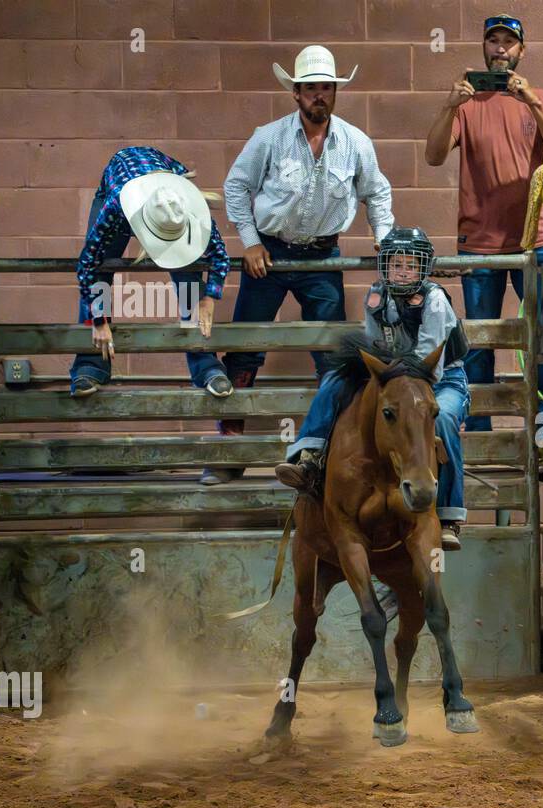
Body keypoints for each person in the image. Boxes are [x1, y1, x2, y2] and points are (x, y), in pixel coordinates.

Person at [210, 44, 395, 484]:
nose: (319, 96)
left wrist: (384, 241)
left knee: (333, 355)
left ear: (335, 91)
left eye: (326, 87)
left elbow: (378, 192)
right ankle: (228, 451)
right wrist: (251, 242)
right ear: (295, 93)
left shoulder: (354, 142)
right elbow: (236, 186)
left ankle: (328, 454)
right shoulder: (269, 137)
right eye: (311, 88)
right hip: (269, 255)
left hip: (323, 255)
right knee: (244, 351)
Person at [275, 227, 471, 551]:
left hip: (439, 378)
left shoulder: (434, 301)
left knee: (445, 419)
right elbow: (374, 344)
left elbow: (428, 362)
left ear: (424, 268)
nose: (403, 271)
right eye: (397, 264)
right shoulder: (376, 296)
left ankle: (449, 515)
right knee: (334, 381)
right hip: (393, 377)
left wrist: (394, 379)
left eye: (411, 264)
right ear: (386, 266)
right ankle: (308, 458)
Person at [424, 13, 543, 431]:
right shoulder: (466, 104)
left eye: (509, 42)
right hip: (480, 244)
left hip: (535, 242)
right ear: (484, 48)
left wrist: (532, 102)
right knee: (478, 345)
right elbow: (433, 156)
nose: (501, 48)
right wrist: (449, 105)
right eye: (494, 41)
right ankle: (481, 437)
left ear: (522, 51)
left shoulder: (542, 97)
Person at [70, 147, 231, 397]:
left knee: (190, 273)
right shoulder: (115, 206)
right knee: (101, 269)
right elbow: (87, 264)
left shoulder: (189, 209)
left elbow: (220, 254)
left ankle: (206, 365)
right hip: (120, 188)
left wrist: (209, 297)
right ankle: (90, 365)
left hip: (167, 179)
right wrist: (98, 319)